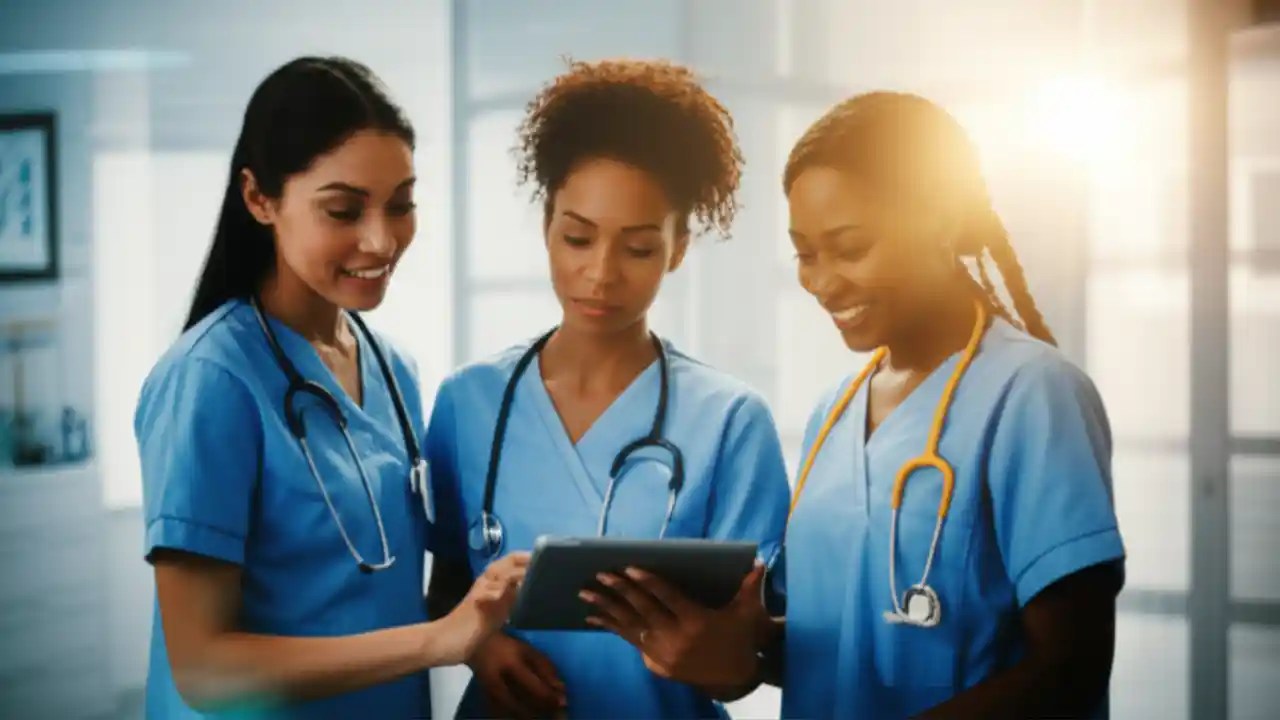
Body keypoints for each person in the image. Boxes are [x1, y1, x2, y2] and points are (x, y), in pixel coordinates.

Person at [584, 91, 1127, 719]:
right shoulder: (835, 413)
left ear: (941, 223)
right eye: (805, 254)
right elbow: (844, 646)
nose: (822, 282)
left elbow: (1071, 670)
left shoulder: (1034, 394)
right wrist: (736, 653)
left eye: (850, 248)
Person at [135, 56, 527, 719]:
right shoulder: (211, 379)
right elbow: (203, 667)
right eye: (343, 210)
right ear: (259, 199)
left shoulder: (394, 369)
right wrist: (438, 640)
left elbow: (367, 592)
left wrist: (477, 642)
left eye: (401, 204)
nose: (381, 240)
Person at [424, 58, 790, 719]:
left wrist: (717, 660)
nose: (600, 273)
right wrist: (483, 650)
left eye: (639, 248)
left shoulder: (729, 421)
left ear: (679, 247)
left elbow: (753, 656)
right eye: (577, 237)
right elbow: (444, 593)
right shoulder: (467, 404)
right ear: (547, 224)